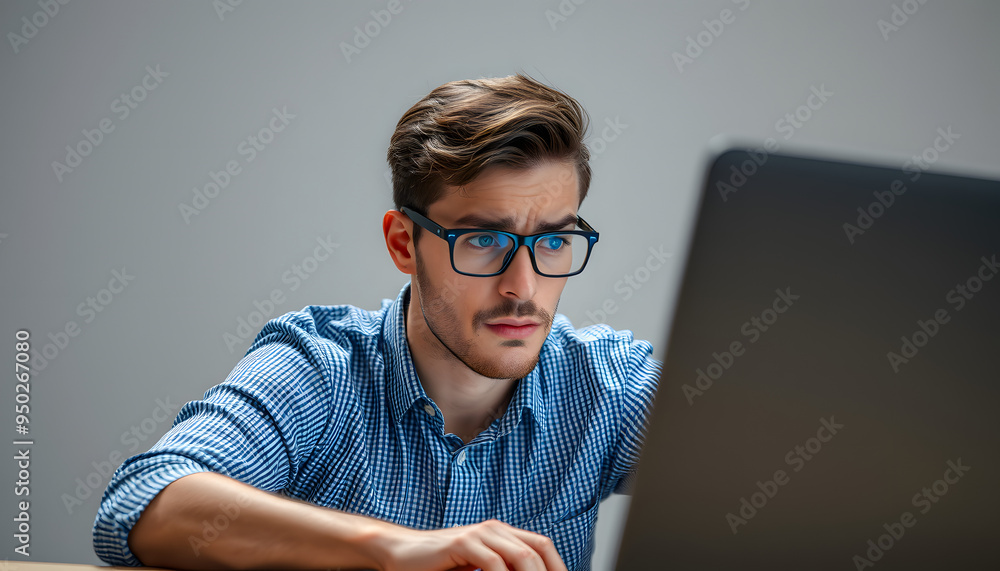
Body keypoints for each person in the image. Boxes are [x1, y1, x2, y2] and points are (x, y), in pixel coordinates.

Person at [93, 73, 660, 571]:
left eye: (555, 241)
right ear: (403, 243)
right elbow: (143, 500)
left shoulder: (608, 386)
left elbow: (745, 474)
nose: (523, 287)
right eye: (484, 239)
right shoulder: (319, 370)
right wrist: (390, 549)